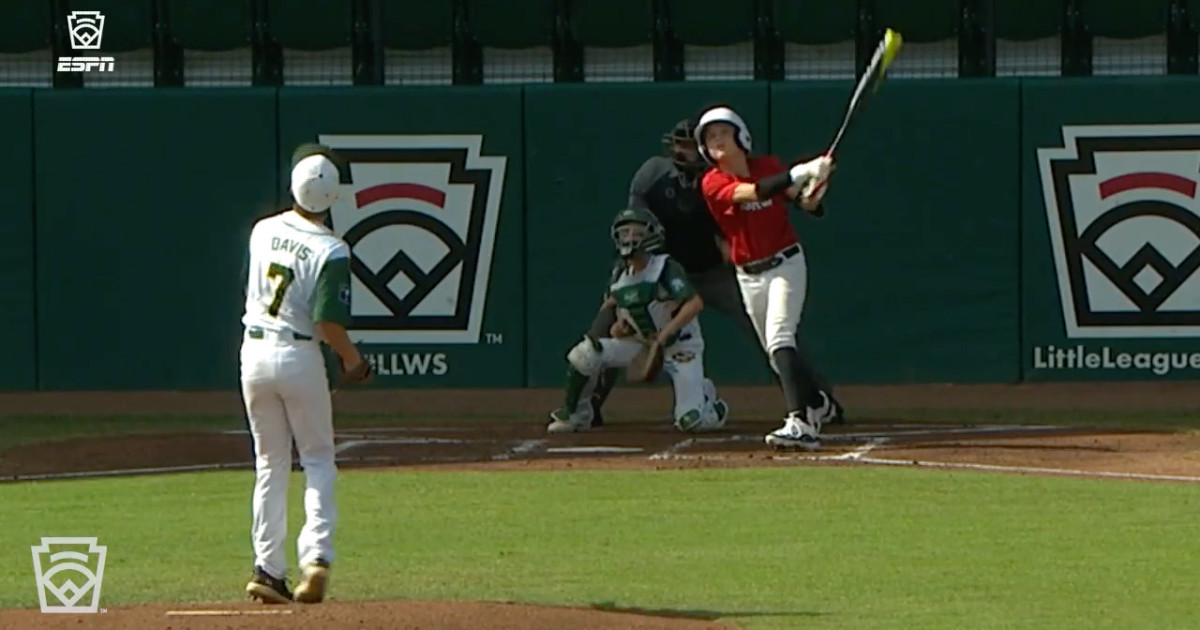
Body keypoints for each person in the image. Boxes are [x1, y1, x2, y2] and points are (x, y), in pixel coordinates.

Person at [578, 118, 843, 428]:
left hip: (715, 271)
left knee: (772, 333)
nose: (686, 151)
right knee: (611, 315)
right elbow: (635, 226)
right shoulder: (657, 175)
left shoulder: (721, 174)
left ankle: (815, 399)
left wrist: (809, 191)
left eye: (693, 145)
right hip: (663, 273)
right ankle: (586, 403)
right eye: (682, 144)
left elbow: (774, 200)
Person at [240, 146, 369, 604]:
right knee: (316, 459)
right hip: (298, 355)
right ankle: (315, 559)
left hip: (253, 353)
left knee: (269, 464)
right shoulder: (332, 248)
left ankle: (267, 570)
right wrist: (352, 360)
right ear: (332, 195)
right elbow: (327, 322)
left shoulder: (262, 230)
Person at [693, 104, 836, 450]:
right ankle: (818, 403)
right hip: (748, 275)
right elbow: (756, 193)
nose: (716, 140)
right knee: (774, 352)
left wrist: (814, 187)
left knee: (779, 337)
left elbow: (808, 207)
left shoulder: (767, 166)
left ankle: (801, 422)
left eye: (722, 133)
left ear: (741, 137)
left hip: (785, 263)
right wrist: (801, 171)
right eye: (710, 136)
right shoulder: (713, 183)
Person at [547, 208, 728, 434]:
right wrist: (620, 329)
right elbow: (618, 325)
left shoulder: (664, 267)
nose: (629, 238)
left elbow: (694, 304)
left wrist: (665, 334)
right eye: (624, 233)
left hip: (680, 345)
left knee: (690, 422)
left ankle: (710, 402)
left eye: (636, 233)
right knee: (584, 354)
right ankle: (577, 414)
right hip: (641, 344)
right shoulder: (619, 275)